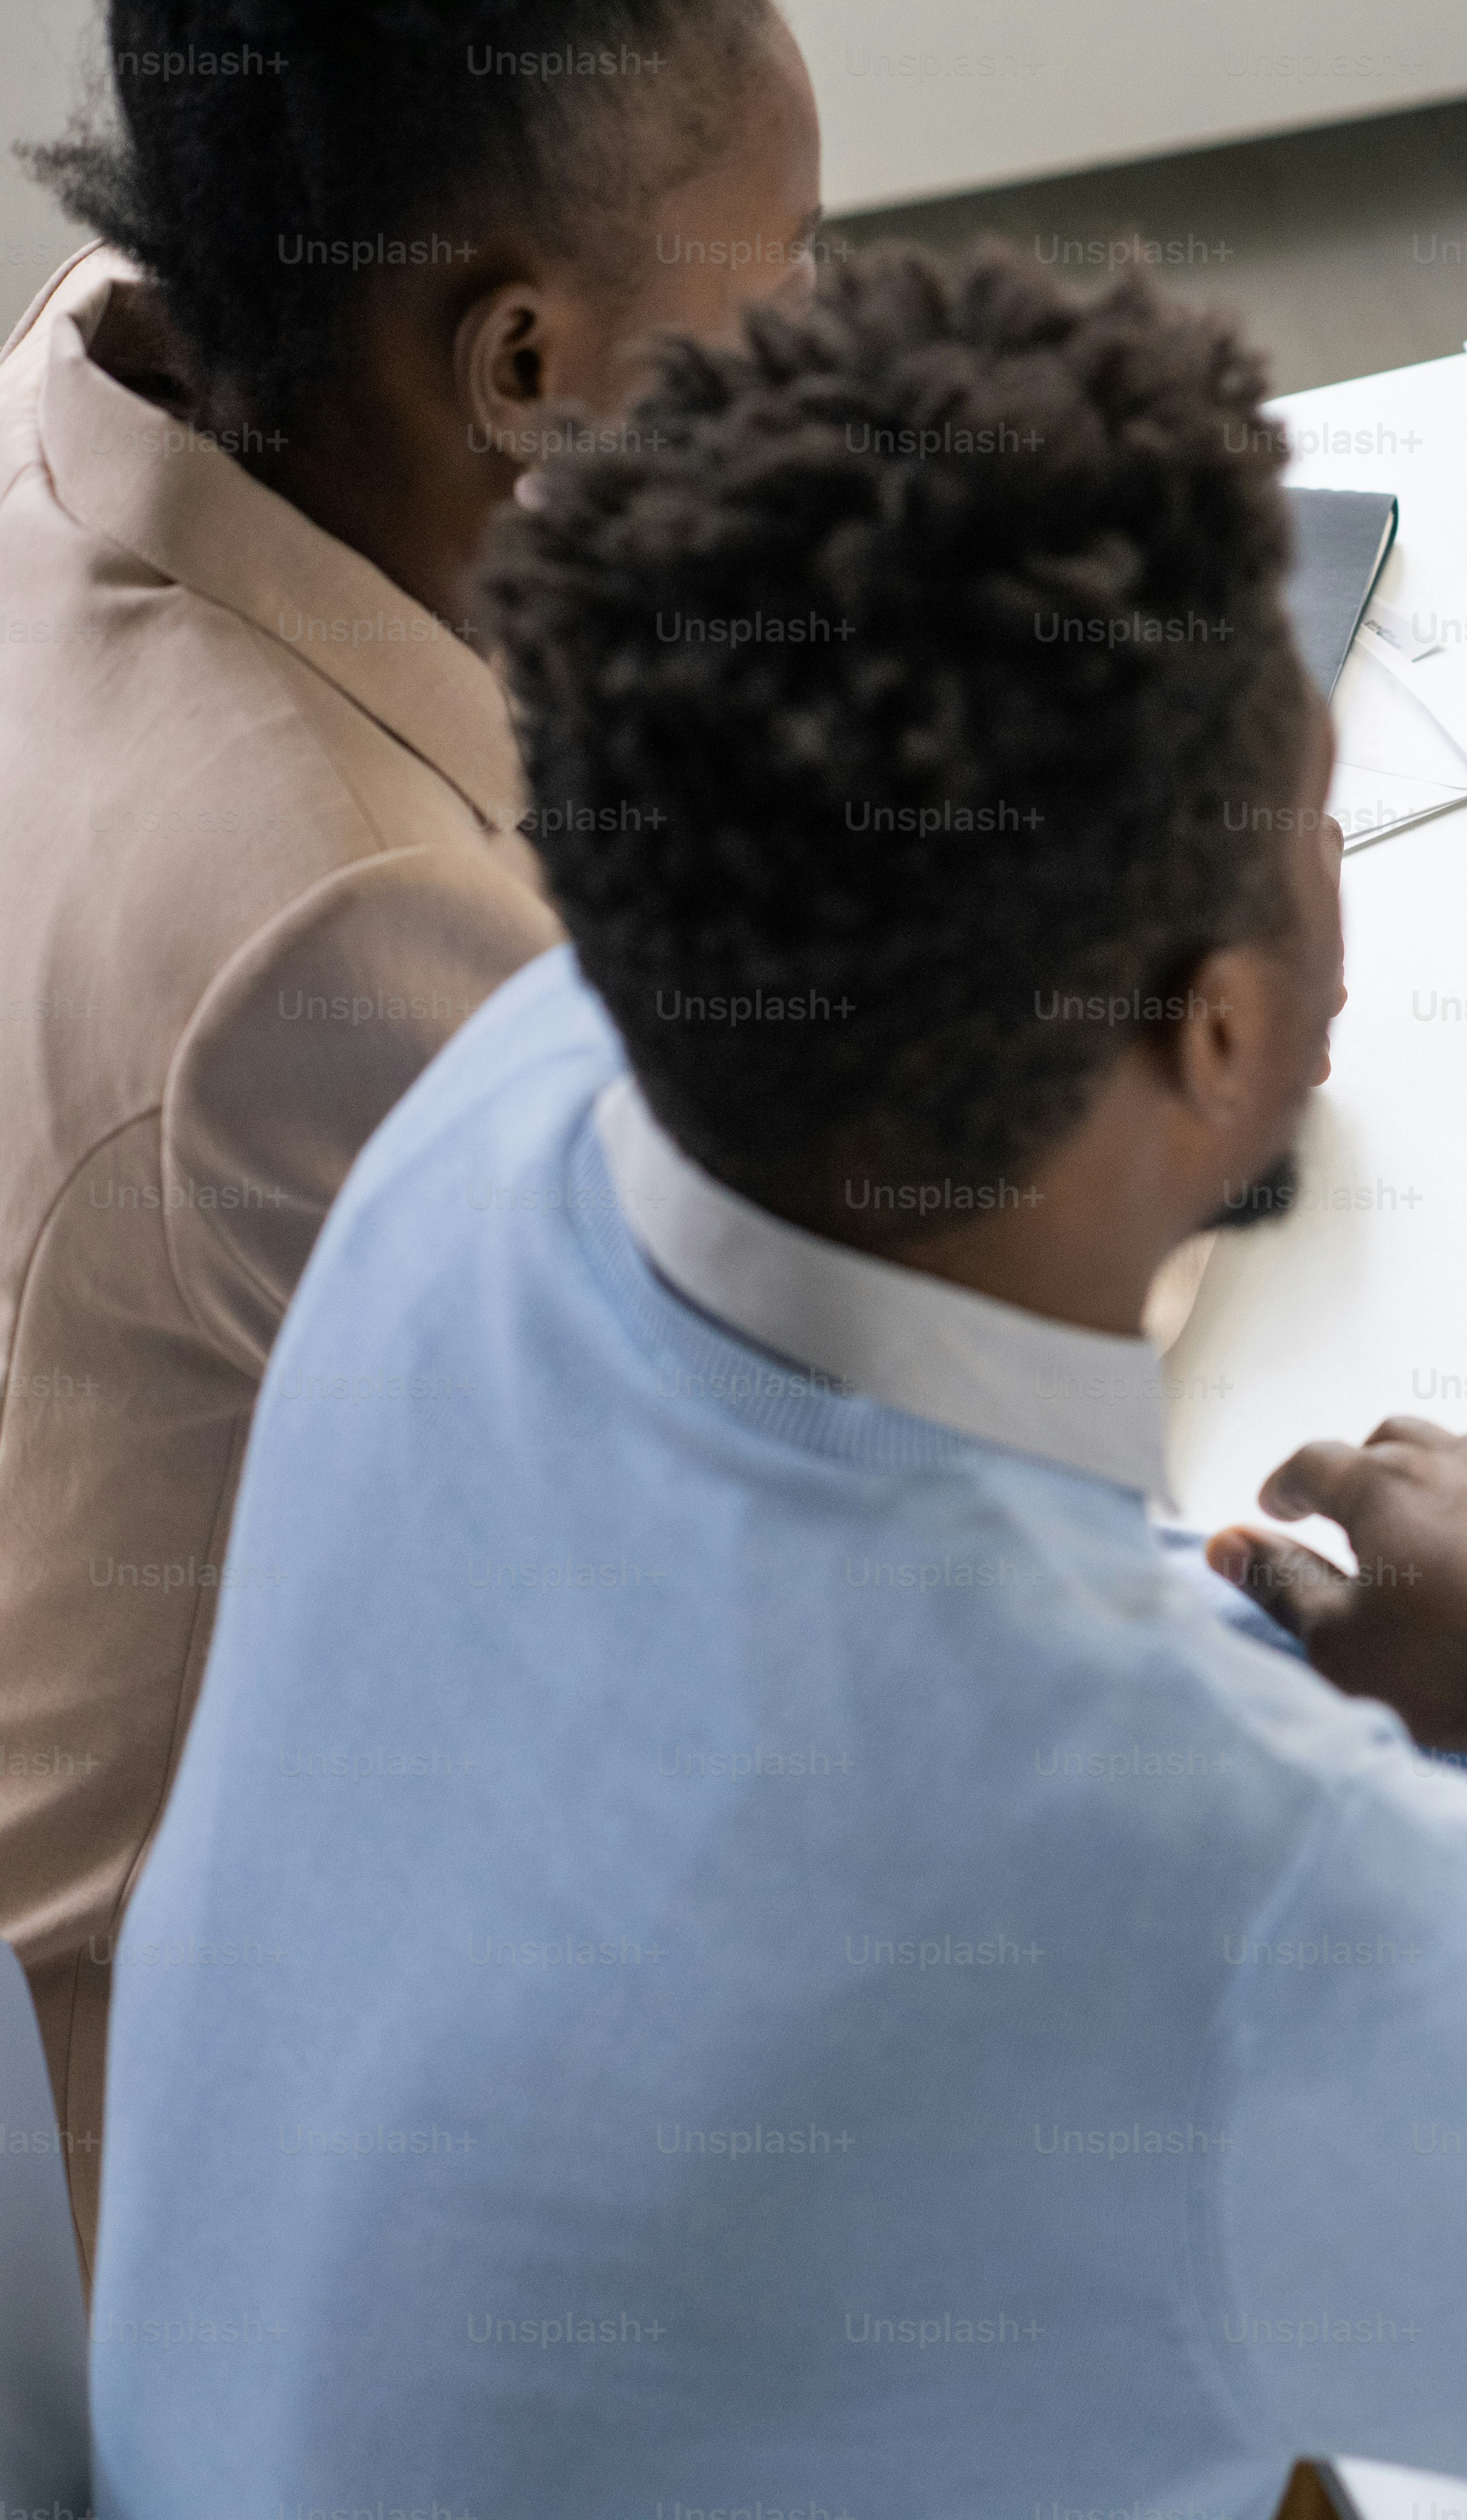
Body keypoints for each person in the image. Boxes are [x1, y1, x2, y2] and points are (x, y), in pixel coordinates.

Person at [86, 245, 1467, 2517]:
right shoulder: (1205, 1903)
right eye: (1316, 799)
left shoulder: (513, 1103)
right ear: (1214, 1027)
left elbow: (949, 1637)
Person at [0, 0, 825, 2258]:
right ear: (523, 368)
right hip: (141, 2121)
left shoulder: (109, 368)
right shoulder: (341, 928)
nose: (825, 330)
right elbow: (786, 1557)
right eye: (785, 269)